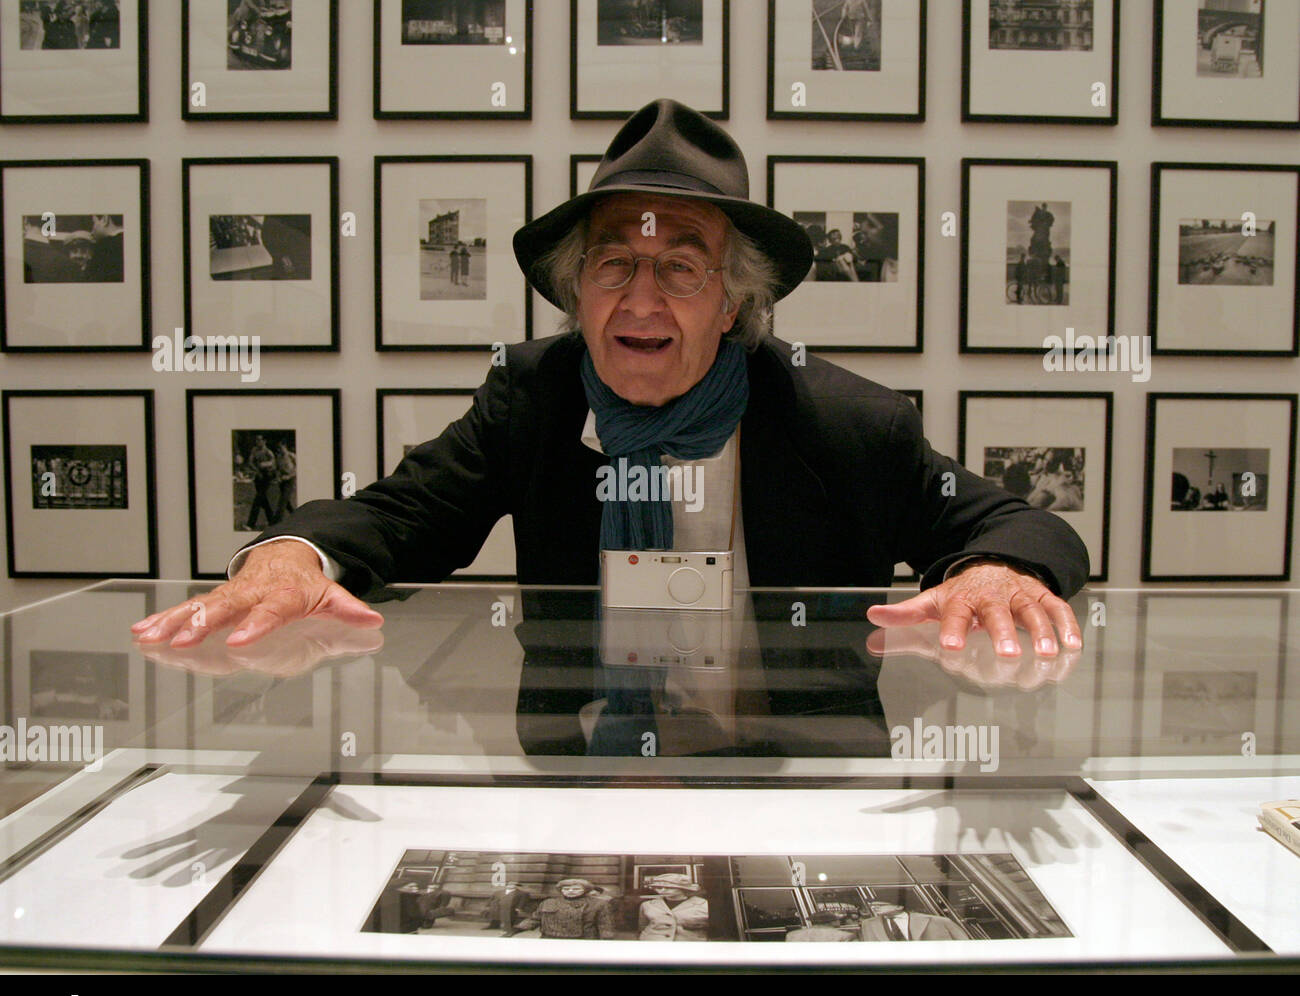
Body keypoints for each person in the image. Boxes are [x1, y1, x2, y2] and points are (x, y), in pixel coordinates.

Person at [135, 99, 1088, 661]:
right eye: (613, 263)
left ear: (733, 304)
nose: (642, 297)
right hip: (586, 775)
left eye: (681, 265)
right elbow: (392, 515)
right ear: (576, 291)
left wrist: (998, 572)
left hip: (798, 779)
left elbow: (1020, 525)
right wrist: (292, 556)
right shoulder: (533, 397)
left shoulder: (846, 422)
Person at [516, 879, 614, 939]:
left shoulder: (598, 904)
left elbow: (605, 924)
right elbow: (535, 919)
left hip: (583, 940)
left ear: (585, 890)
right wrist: (517, 929)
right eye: (566, 889)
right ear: (561, 890)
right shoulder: (548, 902)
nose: (570, 891)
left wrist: (606, 940)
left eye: (576, 889)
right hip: (550, 940)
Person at [639, 873, 708, 941]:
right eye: (658, 888)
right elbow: (642, 926)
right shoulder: (647, 905)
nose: (662, 890)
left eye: (669, 887)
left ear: (683, 888)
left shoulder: (703, 904)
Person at [859, 899, 970, 941]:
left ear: (899, 906)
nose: (875, 908)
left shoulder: (939, 921)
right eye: (873, 906)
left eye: (880, 905)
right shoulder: (868, 924)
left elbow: (964, 944)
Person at [244, 435, 277, 530]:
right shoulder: (254, 450)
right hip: (258, 476)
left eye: (259, 440)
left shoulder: (268, 452)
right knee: (263, 500)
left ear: (264, 441)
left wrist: (264, 465)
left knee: (257, 500)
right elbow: (250, 462)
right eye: (256, 440)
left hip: (266, 477)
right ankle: (272, 522)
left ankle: (250, 524)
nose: (258, 442)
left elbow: (273, 463)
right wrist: (256, 469)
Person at [785, 910, 859, 942]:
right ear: (832, 922)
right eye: (837, 919)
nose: (839, 921)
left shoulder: (792, 935)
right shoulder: (846, 936)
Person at [273, 441, 296, 521]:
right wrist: (278, 477)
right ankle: (297, 517)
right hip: (282, 480)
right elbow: (277, 469)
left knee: (282, 501)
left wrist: (289, 476)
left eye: (281, 447)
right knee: (286, 502)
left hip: (290, 479)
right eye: (278, 448)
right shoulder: (279, 457)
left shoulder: (291, 456)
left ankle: (277, 522)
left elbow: (298, 469)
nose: (280, 450)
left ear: (285, 446)